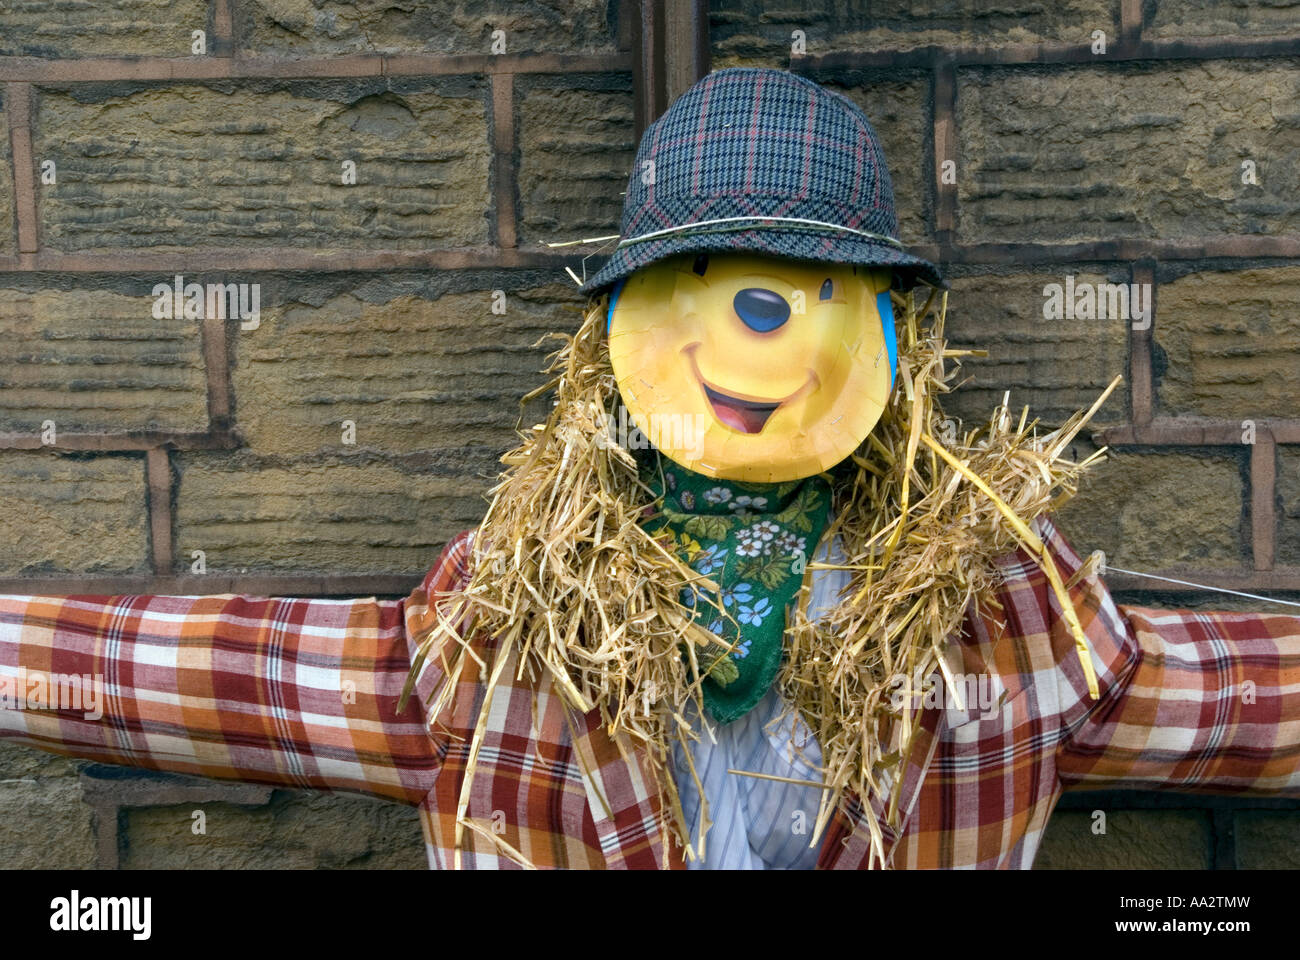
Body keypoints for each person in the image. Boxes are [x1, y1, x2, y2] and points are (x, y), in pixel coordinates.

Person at [3, 67, 1299, 870]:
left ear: (891, 335)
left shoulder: (999, 609)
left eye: (809, 291)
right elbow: (254, 679)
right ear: (619, 336)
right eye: (710, 283)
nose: (761, 332)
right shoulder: (518, 610)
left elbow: (1226, 700)